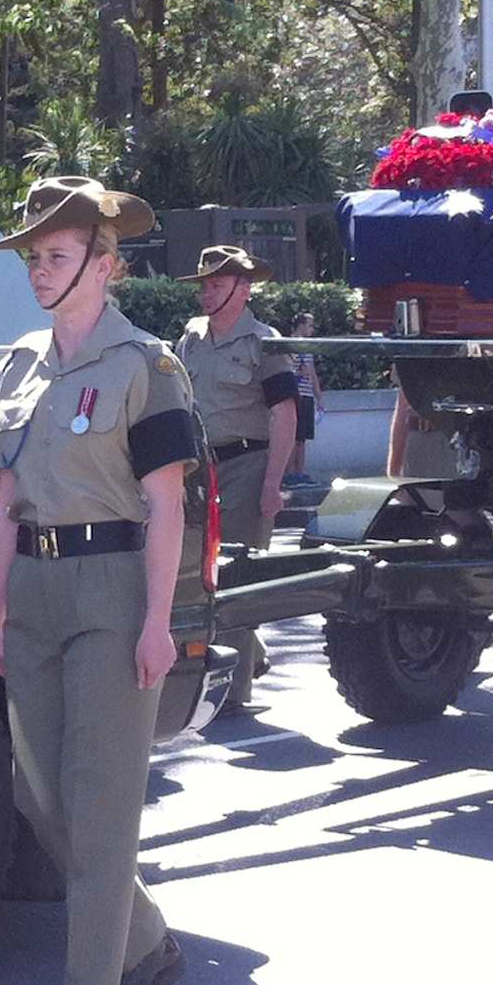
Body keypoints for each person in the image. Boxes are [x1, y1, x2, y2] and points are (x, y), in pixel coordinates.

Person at [0, 175, 203, 985]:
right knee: (40, 797)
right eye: (34, 257)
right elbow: (3, 501)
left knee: (102, 807)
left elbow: (166, 502)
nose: (41, 270)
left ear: (105, 267)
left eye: (58, 256)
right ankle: (147, 941)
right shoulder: (19, 364)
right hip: (33, 584)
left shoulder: (147, 364)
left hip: (113, 587)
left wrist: (160, 620)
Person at [175, 246, 299, 710]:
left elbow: (285, 413)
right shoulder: (190, 337)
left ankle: (234, 697)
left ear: (244, 290)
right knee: (197, 578)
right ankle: (249, 657)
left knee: (237, 578)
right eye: (203, 285)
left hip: (247, 468)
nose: (207, 293)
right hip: (199, 470)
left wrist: (272, 484)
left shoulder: (263, 341)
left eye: (217, 284)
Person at [286, 311, 324, 483]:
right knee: (292, 437)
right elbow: (286, 371)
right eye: (309, 325)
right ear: (300, 325)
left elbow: (312, 373)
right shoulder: (289, 345)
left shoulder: (308, 347)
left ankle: (299, 473)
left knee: (302, 438)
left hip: (307, 395)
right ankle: (288, 473)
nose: (312, 329)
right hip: (295, 395)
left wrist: (319, 397)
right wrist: (300, 373)